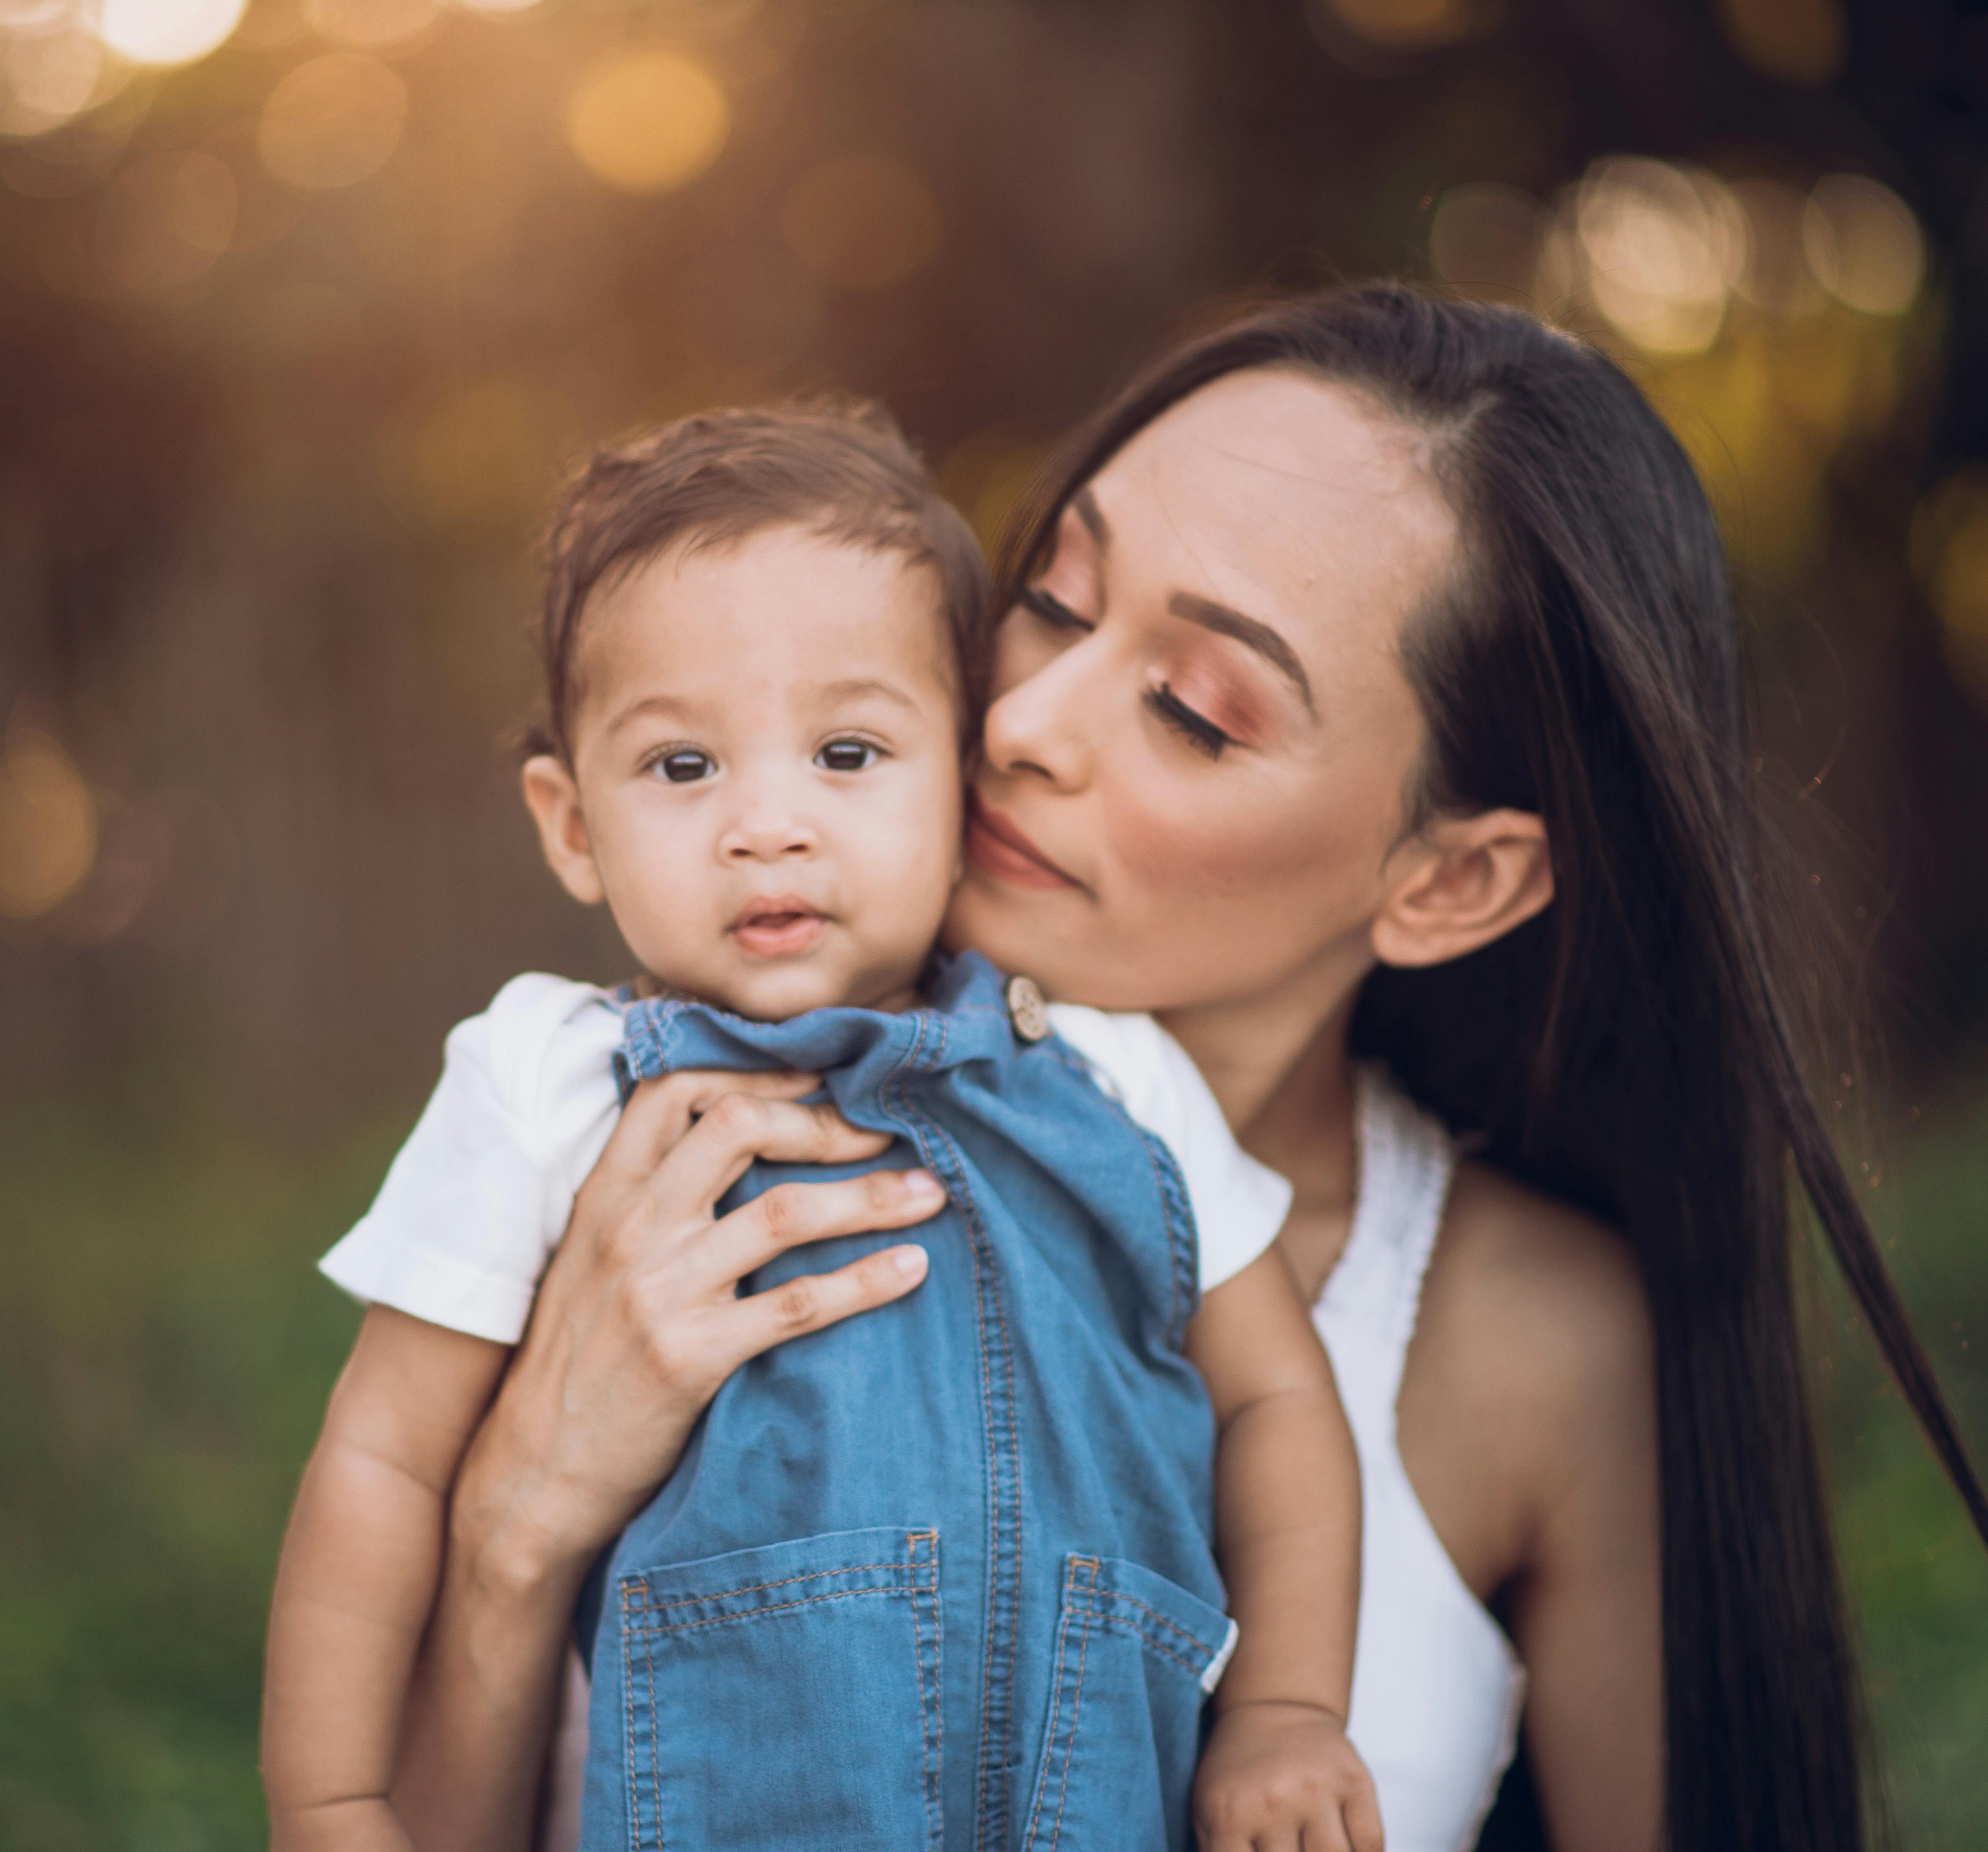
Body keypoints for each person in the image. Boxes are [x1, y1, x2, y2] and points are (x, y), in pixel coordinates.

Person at [379, 287, 1988, 1852]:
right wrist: (515, 1525)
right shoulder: (630, 1159)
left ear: (1452, 881)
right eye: (1054, 600)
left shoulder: (1526, 1339)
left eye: (1197, 708)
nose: (1022, 721)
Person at [264, 401, 1382, 1851]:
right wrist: (329, 1800)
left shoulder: (1116, 1079)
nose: (767, 824)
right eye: (684, 768)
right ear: (570, 824)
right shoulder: (550, 1085)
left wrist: (1289, 1711)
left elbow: (1278, 1403)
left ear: (963, 778)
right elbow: (381, 1461)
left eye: (848, 753)